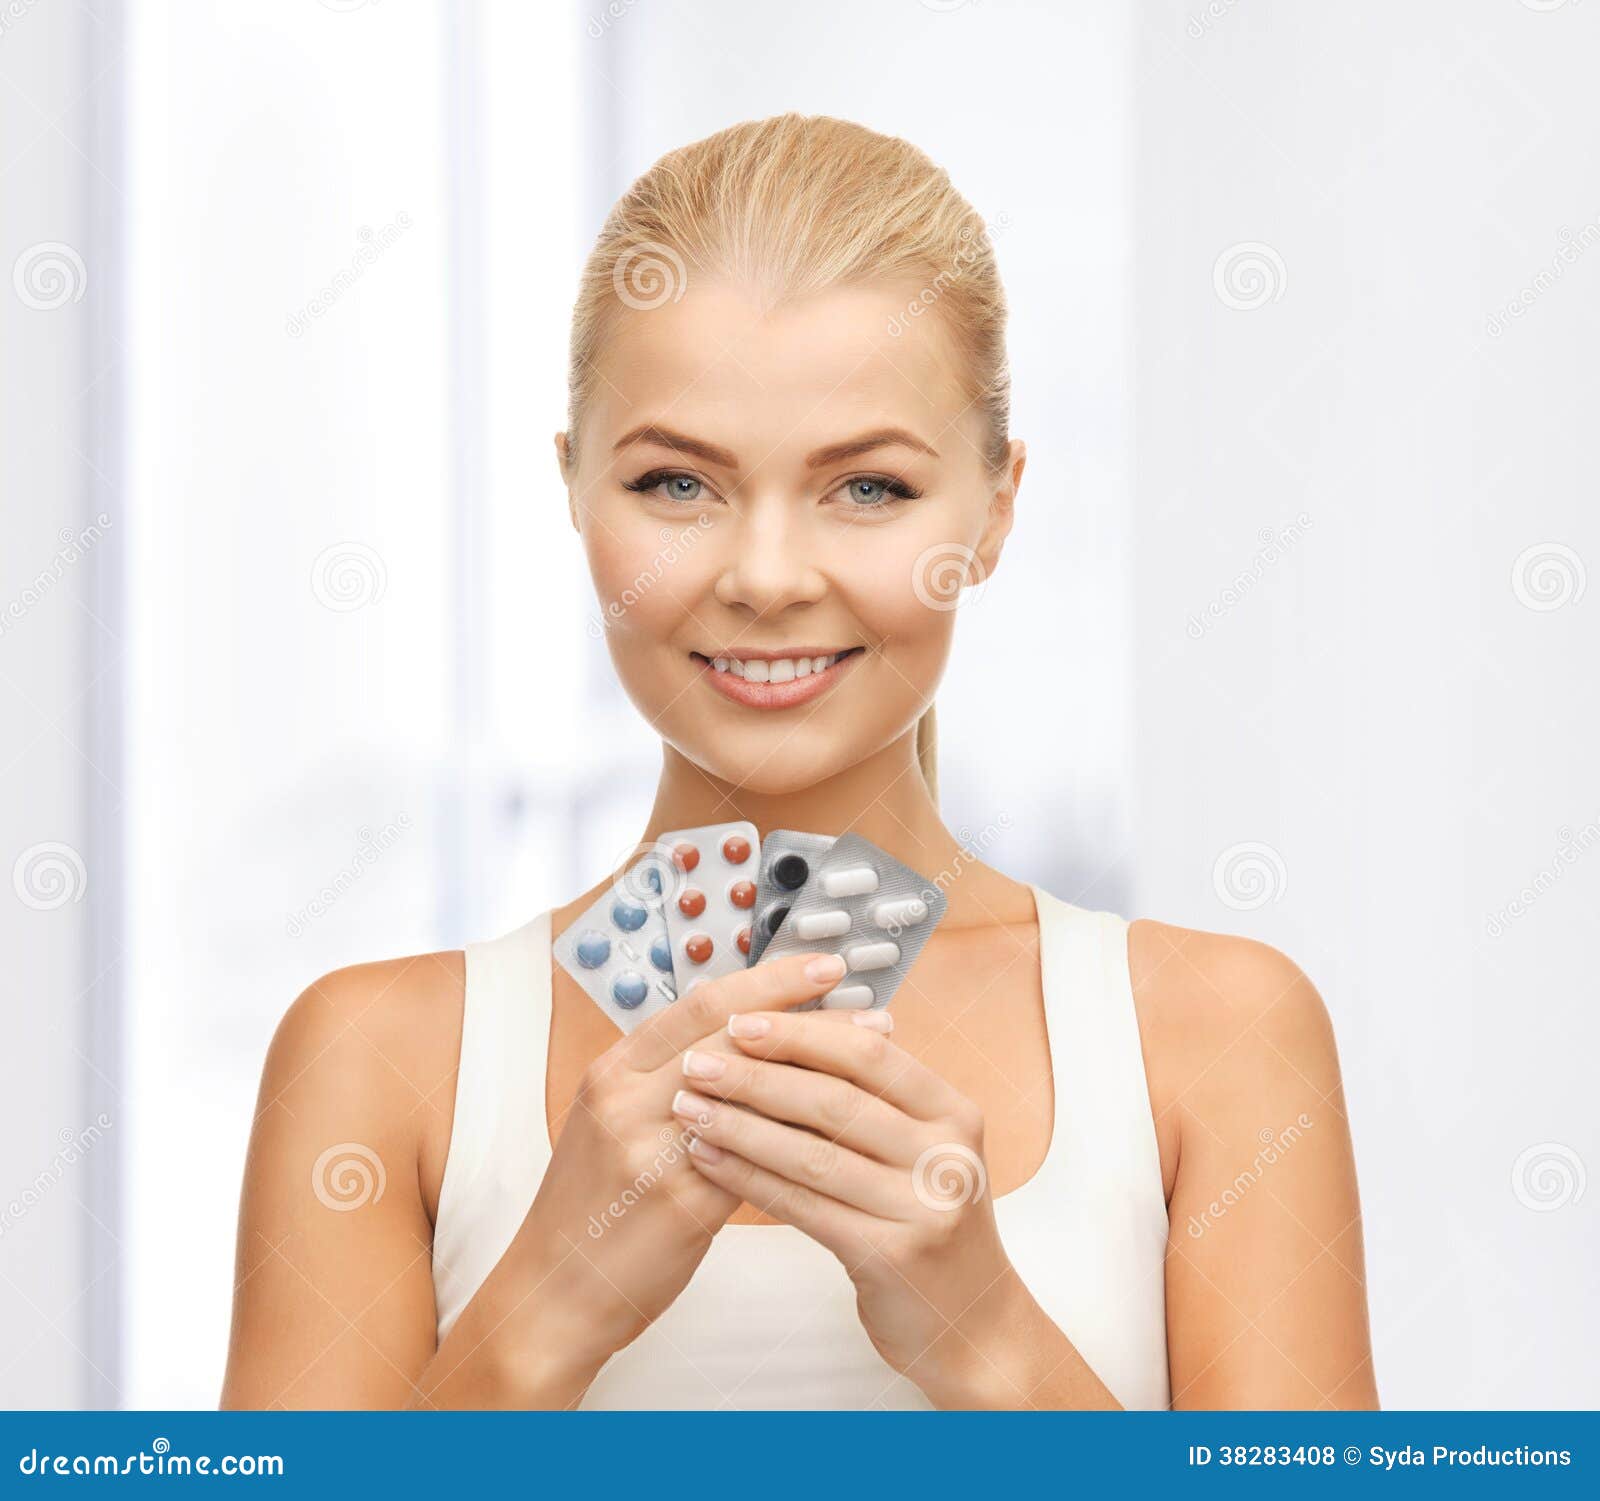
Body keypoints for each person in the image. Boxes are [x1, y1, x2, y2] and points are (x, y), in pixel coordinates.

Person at [221, 113, 1376, 1411]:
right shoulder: (374, 1059)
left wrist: (988, 1334)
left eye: (868, 488)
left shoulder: (1216, 1035)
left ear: (995, 510)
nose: (766, 577)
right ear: (572, 492)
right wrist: (546, 1305)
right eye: (675, 484)